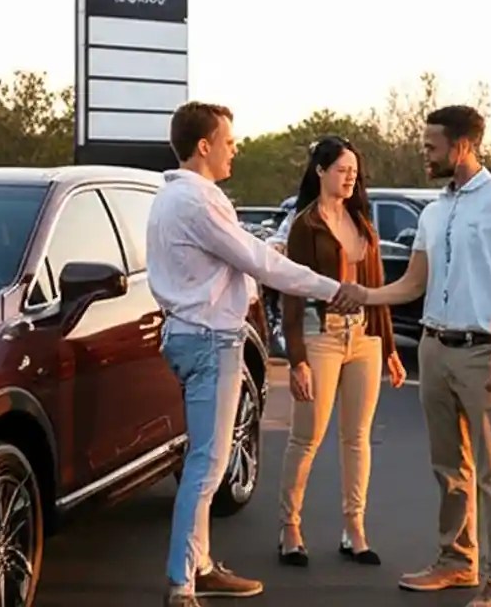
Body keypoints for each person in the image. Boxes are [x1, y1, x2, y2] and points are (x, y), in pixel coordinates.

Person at [146, 101, 367, 607]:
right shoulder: (199, 201)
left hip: (186, 335)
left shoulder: (169, 198)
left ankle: (199, 565)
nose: (234, 150)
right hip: (210, 340)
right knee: (207, 466)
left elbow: (238, 252)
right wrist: (334, 288)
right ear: (204, 146)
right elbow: (261, 264)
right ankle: (182, 583)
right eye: (228, 141)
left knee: (206, 460)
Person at [364, 105, 491, 607]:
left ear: (462, 144)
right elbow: (413, 283)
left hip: (484, 351)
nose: (424, 153)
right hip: (434, 350)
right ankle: (456, 562)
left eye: (431, 146)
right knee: (448, 467)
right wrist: (361, 294)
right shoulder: (433, 211)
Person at [275, 136, 408, 569]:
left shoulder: (362, 221)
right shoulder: (305, 225)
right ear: (320, 171)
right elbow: (290, 296)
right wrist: (296, 359)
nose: (350, 178)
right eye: (341, 170)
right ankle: (290, 527)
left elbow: (377, 289)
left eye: (354, 171)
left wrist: (388, 347)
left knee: (356, 439)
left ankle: (355, 528)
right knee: (307, 437)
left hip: (364, 340)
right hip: (321, 336)